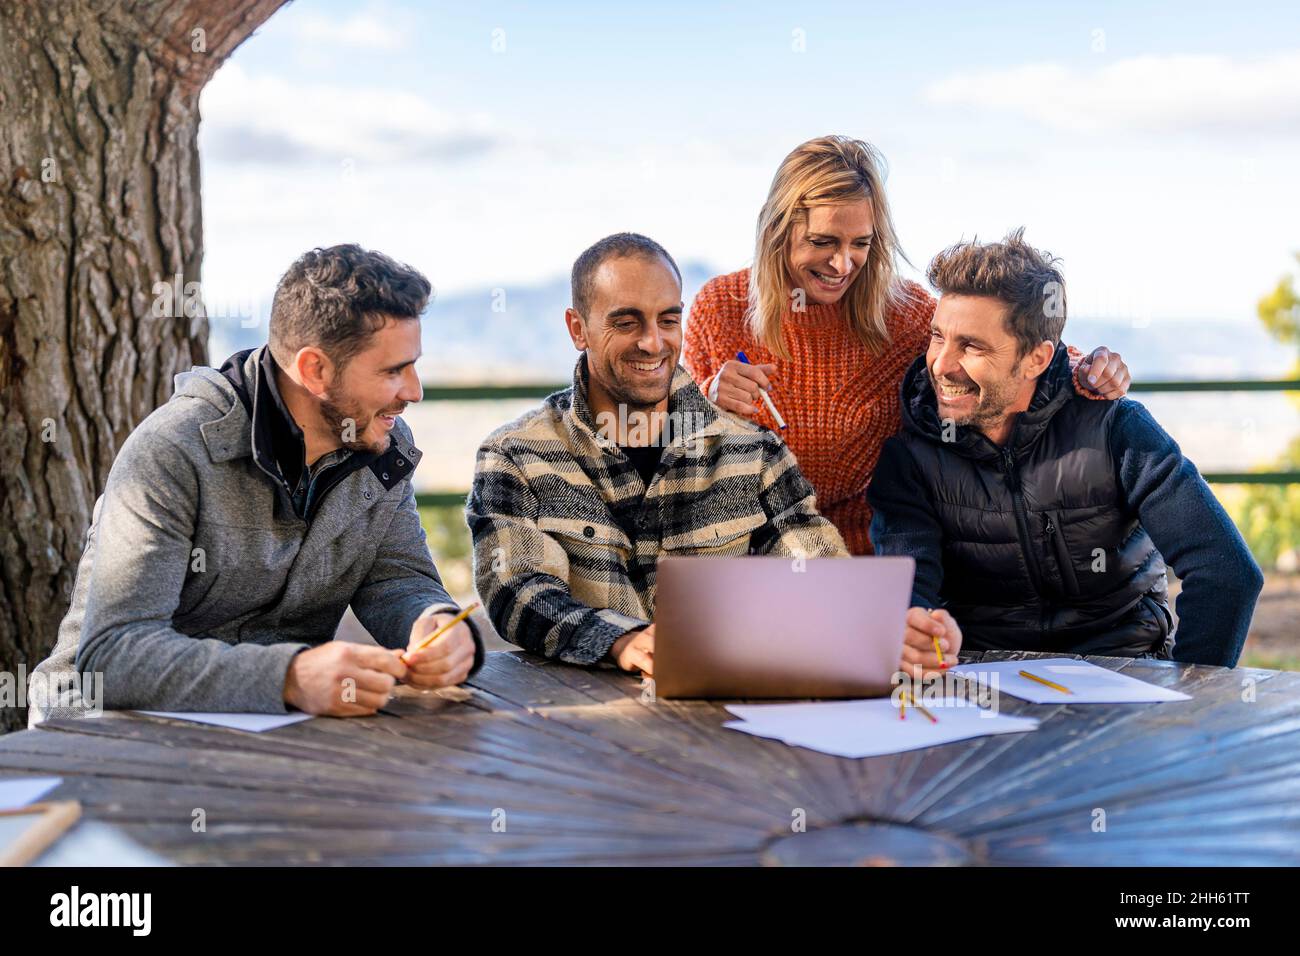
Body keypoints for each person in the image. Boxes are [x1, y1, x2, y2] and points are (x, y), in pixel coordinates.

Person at [29, 244, 482, 724]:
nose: (415, 391)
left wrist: (433, 624)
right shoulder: (173, 450)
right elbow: (114, 657)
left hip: (275, 729)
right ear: (315, 370)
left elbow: (395, 577)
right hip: (99, 734)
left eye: (413, 365)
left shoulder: (380, 443)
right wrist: (289, 677)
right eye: (393, 371)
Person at [683, 135, 1132, 555]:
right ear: (777, 231)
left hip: (865, 557)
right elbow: (677, 459)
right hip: (747, 555)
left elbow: (996, 345)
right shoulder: (719, 309)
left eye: (861, 243)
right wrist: (709, 403)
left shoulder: (902, 313)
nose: (844, 264)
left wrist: (1083, 367)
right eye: (823, 241)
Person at [466, 233, 875, 678]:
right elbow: (517, 588)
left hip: (727, 720)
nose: (652, 342)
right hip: (581, 723)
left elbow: (814, 567)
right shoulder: (515, 456)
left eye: (668, 320)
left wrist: (875, 626)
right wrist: (617, 640)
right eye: (626, 322)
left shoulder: (754, 453)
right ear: (577, 328)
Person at [868, 229, 1263, 668]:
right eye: (938, 337)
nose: (941, 363)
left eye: (972, 346)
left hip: (1125, 669)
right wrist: (918, 630)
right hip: (986, 679)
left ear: (1036, 358)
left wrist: (1192, 696)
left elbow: (1226, 572)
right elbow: (909, 590)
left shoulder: (1115, 428)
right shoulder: (910, 456)